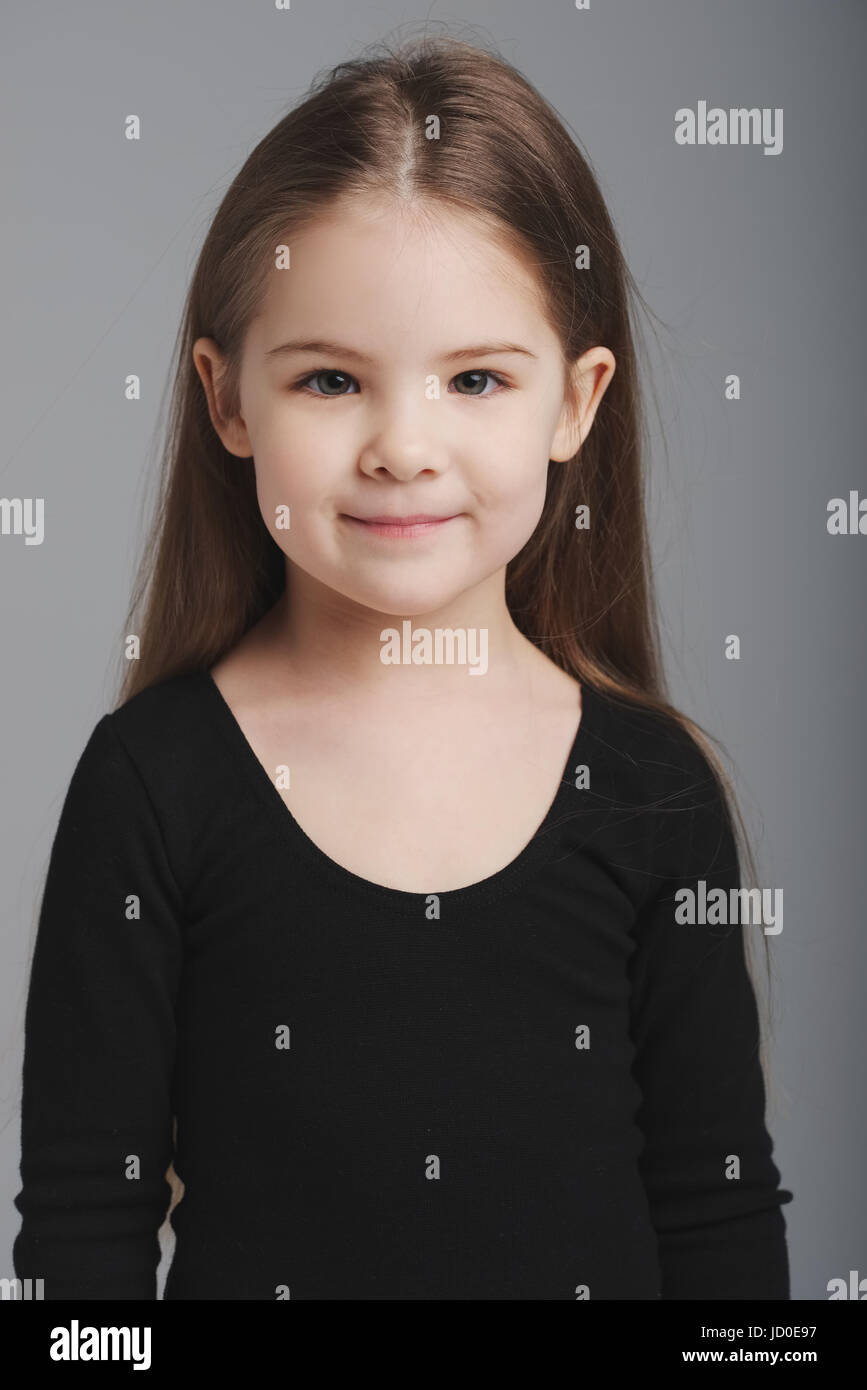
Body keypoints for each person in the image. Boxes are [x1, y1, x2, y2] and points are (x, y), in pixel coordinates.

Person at [12, 33, 793, 1300]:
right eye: (331, 379)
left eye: (476, 377)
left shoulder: (654, 791)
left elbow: (720, 1225)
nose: (402, 448)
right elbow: (78, 1246)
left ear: (575, 403)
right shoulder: (150, 787)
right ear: (228, 402)